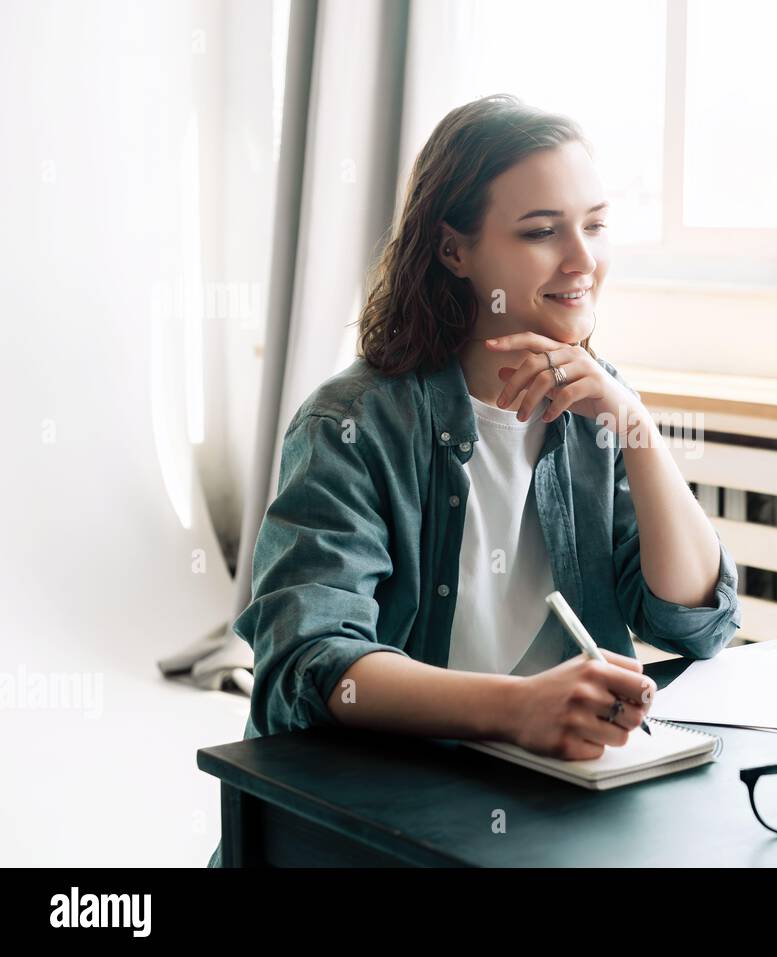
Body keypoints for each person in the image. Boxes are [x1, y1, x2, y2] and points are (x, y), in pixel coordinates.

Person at [206, 94, 741, 866]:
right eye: (540, 231)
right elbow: (310, 664)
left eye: (593, 224)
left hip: (548, 807)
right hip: (374, 818)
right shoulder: (351, 423)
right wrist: (518, 708)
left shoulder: (595, 404)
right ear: (455, 250)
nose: (582, 259)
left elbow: (694, 620)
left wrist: (638, 427)